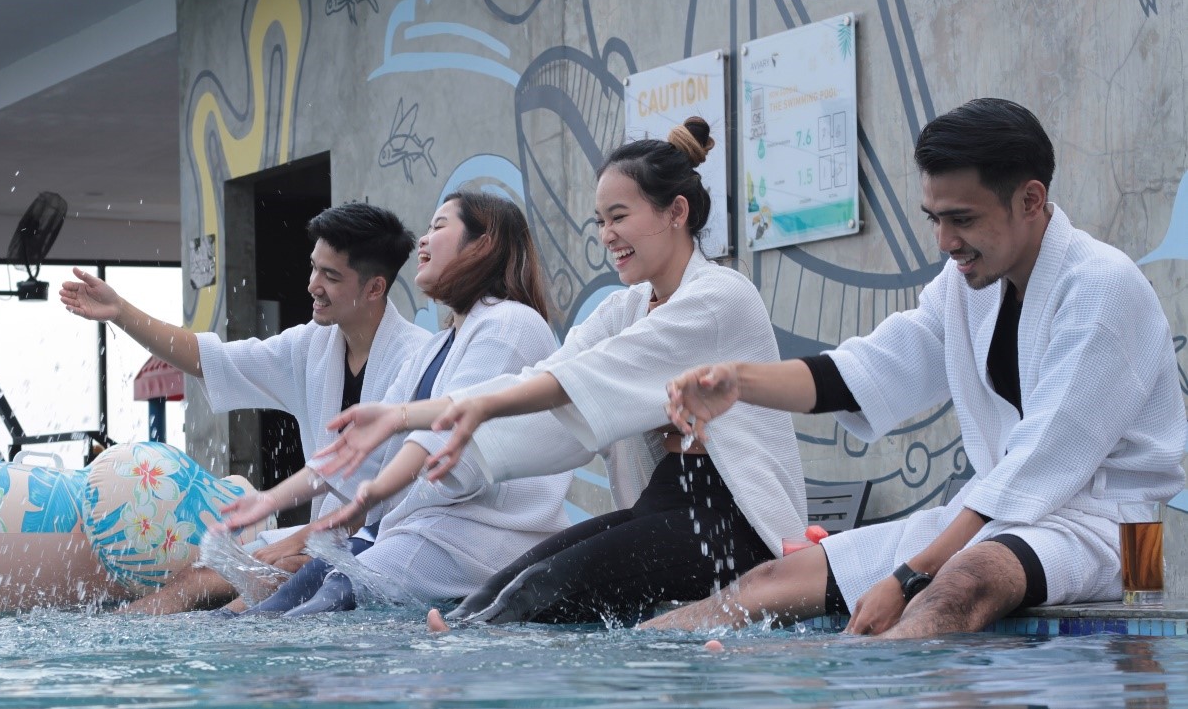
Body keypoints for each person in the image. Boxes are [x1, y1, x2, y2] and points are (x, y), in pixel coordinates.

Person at [650, 98, 1187, 639]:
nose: (946, 242)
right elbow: (871, 370)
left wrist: (908, 576)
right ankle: (654, 658)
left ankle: (838, 688)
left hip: (1111, 533)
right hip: (997, 518)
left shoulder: (1102, 286)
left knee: (958, 586)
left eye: (962, 219)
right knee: (772, 581)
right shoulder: (968, 287)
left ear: (1030, 199)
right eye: (935, 219)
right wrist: (740, 383)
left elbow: (1036, 462)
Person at [311, 117, 807, 629]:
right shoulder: (627, 307)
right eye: (599, 221)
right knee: (505, 584)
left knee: (536, 590)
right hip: (666, 503)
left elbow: (588, 379)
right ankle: (456, 650)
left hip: (731, 522)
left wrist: (424, 414)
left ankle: (456, 661)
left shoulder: (719, 298)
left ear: (676, 211)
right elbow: (550, 374)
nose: (607, 235)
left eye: (618, 217)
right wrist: (413, 416)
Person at [59, 202, 430, 614]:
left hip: (390, 546)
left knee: (231, 585)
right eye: (313, 268)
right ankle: (119, 639)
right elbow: (211, 358)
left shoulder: (416, 361)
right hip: (324, 540)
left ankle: (144, 642)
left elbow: (380, 491)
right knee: (195, 575)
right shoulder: (310, 347)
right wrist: (120, 312)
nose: (312, 285)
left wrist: (294, 540)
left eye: (331, 275)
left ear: (374, 288)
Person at [218, 189, 572, 616]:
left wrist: (366, 499)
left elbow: (441, 435)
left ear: (482, 245)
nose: (423, 240)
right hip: (419, 529)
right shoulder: (439, 345)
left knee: (320, 609)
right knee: (273, 609)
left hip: (483, 535)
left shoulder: (510, 324)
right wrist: (271, 499)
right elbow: (360, 451)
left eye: (439, 227)